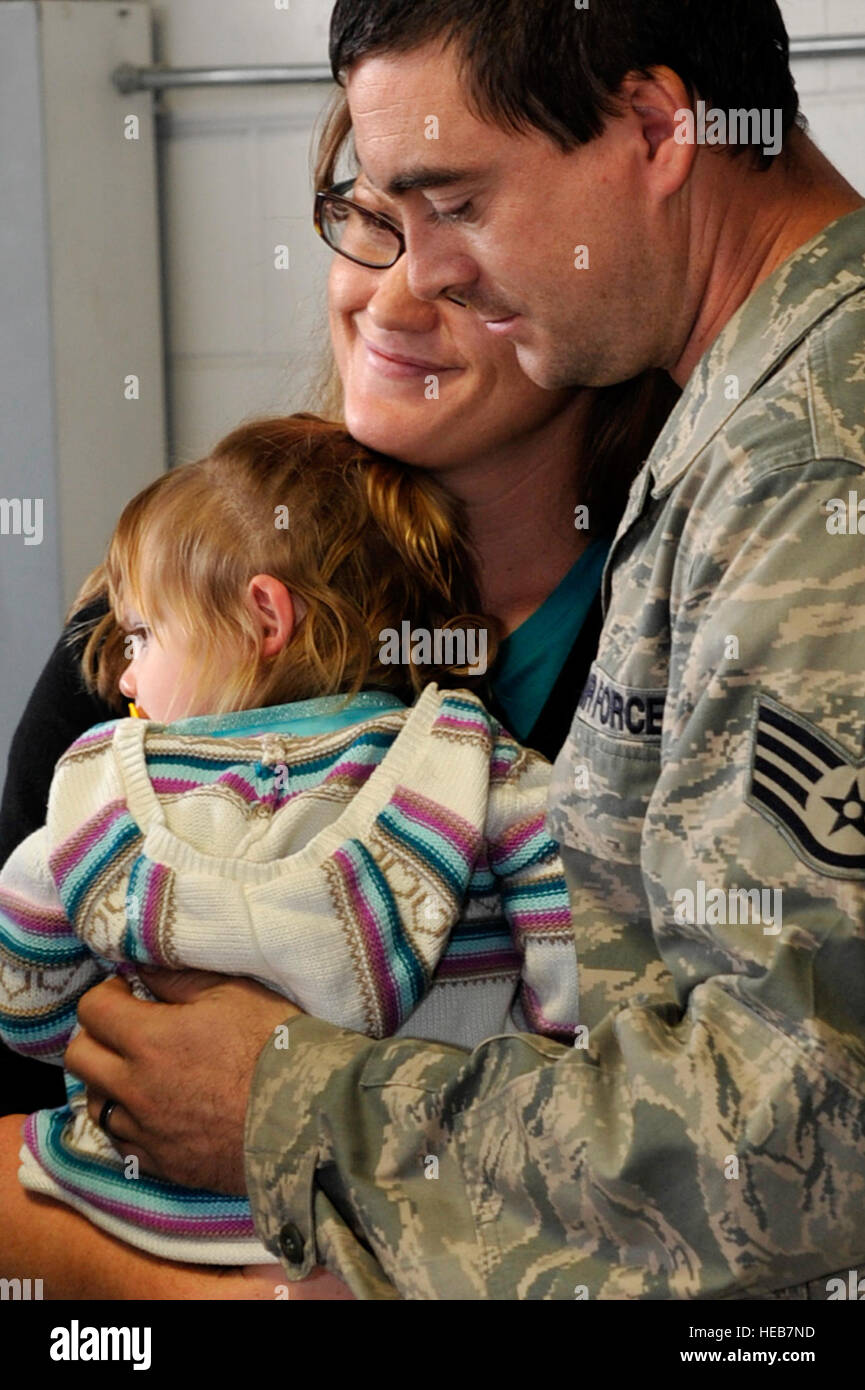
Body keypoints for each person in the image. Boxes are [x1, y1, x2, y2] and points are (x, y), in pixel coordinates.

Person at [0, 86, 676, 1119]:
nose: (393, 300)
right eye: (370, 224)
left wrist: (291, 1110)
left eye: (466, 233)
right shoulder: (161, 625)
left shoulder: (673, 637)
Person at [0, 413, 579, 1294]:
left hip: (146, 1207)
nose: (121, 678)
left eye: (142, 636)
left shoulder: (106, 787)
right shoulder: (478, 766)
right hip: (402, 1213)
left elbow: (30, 1007)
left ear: (265, 615)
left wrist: (83, 1031)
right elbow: (568, 957)